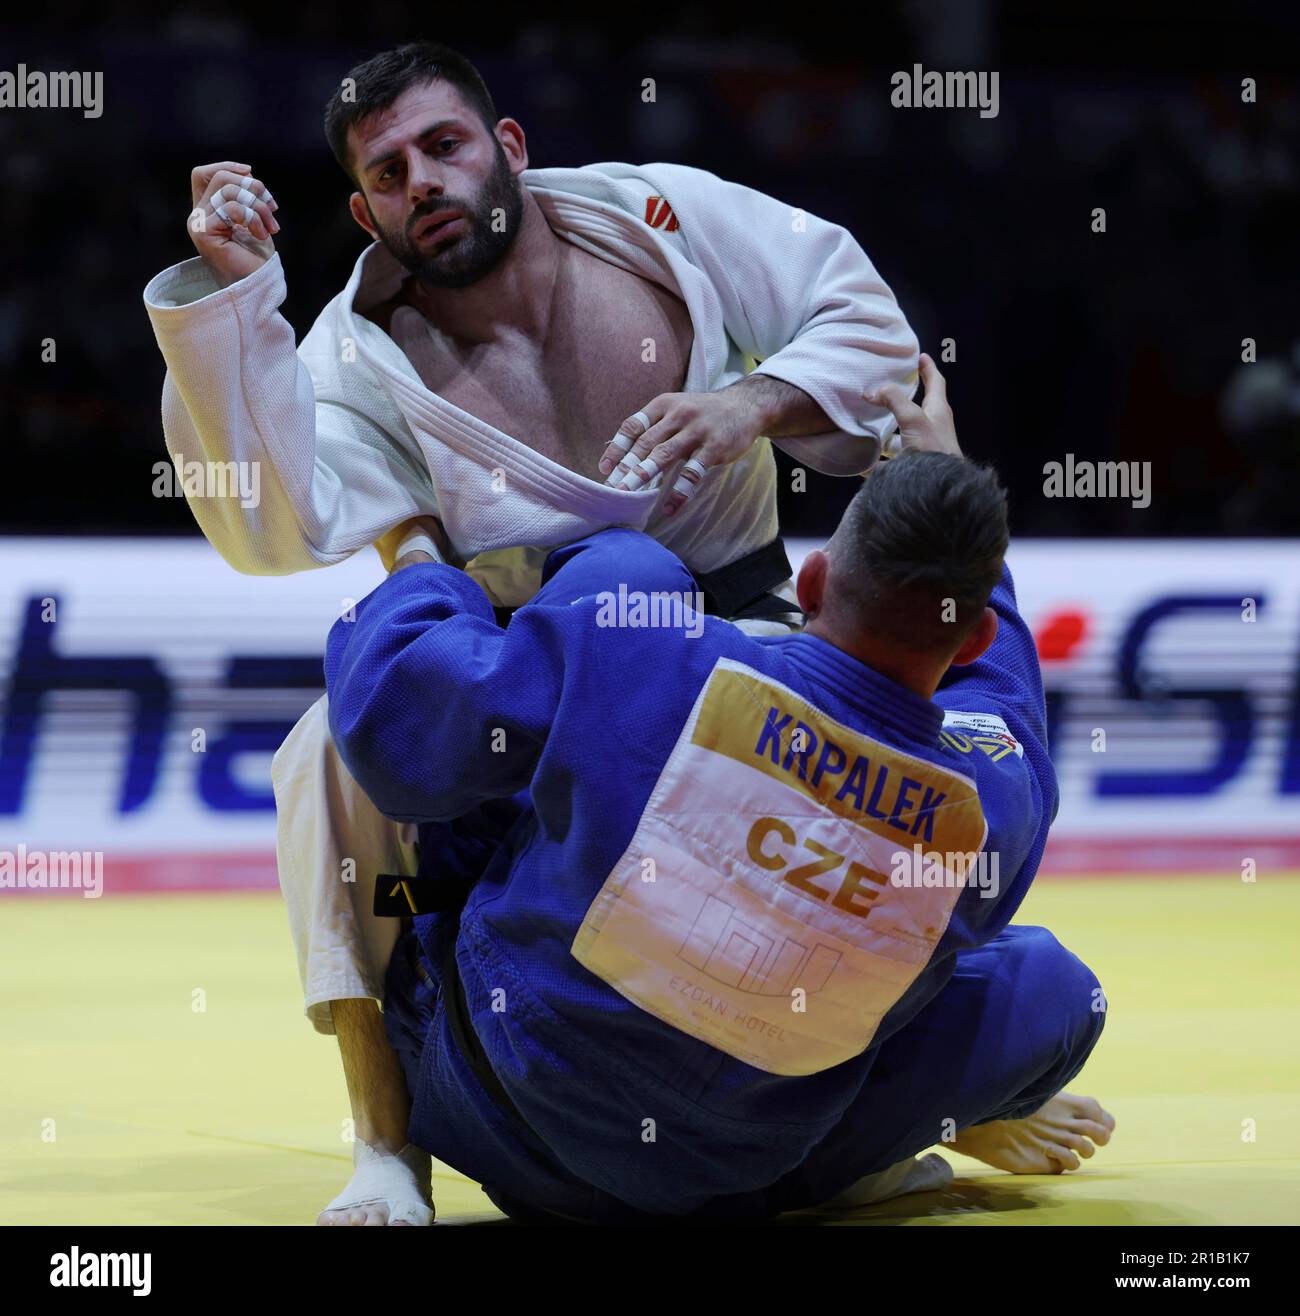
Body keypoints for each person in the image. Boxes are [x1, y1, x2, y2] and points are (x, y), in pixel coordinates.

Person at [140, 42, 919, 1214]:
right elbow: (262, 524)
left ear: (505, 148)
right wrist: (237, 296)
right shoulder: (358, 359)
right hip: (523, 678)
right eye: (390, 174)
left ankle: (885, 1100)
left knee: (887, 768)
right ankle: (385, 1141)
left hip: (730, 627)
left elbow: (867, 324)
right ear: (366, 211)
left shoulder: (666, 218)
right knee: (326, 758)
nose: (424, 184)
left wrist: (746, 401)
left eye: (443, 147)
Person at [320, 361, 1114, 1224]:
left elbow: (394, 730)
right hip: (739, 1166)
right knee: (1057, 993)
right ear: (976, 637)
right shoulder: (995, 798)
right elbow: (1000, 692)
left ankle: (391, 1138)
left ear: (809, 587)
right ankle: (858, 1158)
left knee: (526, 707)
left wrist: (421, 555)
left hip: (497, 1118)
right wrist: (948, 488)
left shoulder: (653, 644)